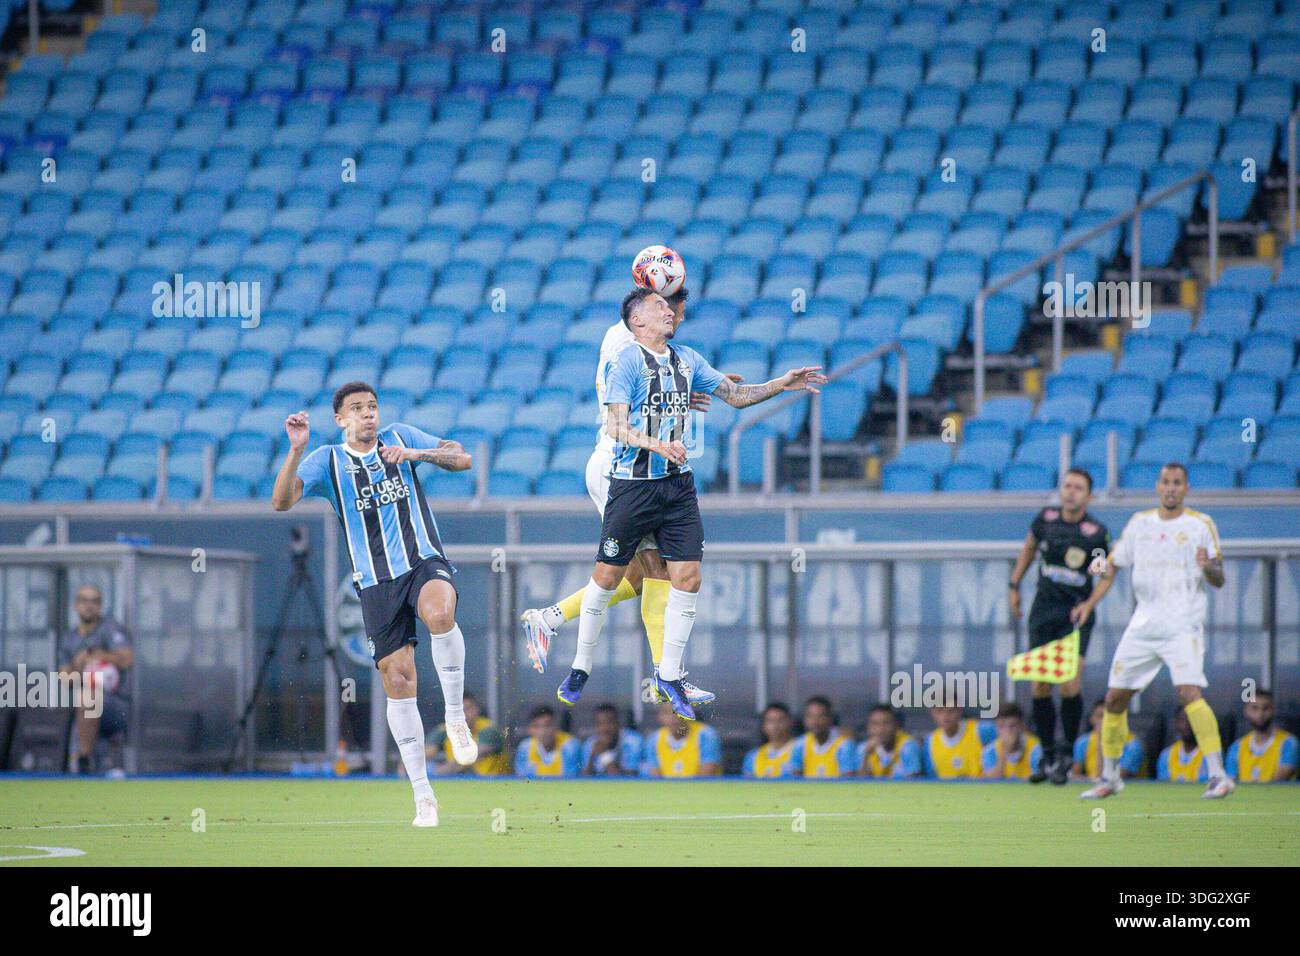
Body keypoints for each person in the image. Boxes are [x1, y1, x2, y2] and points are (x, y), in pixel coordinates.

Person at [553, 287, 826, 719]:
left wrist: (782, 384)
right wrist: (658, 445)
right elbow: (615, 425)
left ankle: (669, 673)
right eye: (657, 306)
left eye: (668, 305)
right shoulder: (625, 361)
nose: (668, 309)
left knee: (688, 577)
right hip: (632, 486)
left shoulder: (688, 359)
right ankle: (580, 667)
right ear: (636, 322)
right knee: (607, 578)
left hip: (677, 487)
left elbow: (736, 396)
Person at [271, 381, 478, 827]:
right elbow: (282, 502)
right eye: (357, 409)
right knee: (398, 679)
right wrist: (294, 450)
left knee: (440, 613)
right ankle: (423, 796)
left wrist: (417, 457)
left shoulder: (401, 437)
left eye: (372, 406)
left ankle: (456, 717)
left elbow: (462, 458)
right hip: (375, 583)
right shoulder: (326, 460)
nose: (368, 414)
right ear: (340, 419)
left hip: (422, 560)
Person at [520, 287, 733, 707]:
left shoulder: (672, 354)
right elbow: (617, 407)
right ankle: (657, 673)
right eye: (670, 307)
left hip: (649, 469)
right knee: (636, 572)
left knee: (648, 575)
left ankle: (663, 674)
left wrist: (681, 392)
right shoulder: (624, 342)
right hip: (621, 467)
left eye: (680, 311)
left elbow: (654, 390)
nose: (677, 316)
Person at [1082, 463, 1232, 800]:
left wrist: (1208, 566)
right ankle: (1109, 777)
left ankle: (1219, 776)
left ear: (1186, 488)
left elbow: (1219, 579)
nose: (1171, 489)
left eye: (1177, 483)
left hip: (1182, 625)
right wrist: (1100, 565)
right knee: (1114, 698)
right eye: (1166, 482)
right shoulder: (1140, 524)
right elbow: (1113, 564)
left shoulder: (1200, 525)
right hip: (1143, 625)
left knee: (1189, 692)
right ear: (1157, 486)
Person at [1007, 467, 1112, 785]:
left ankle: (1067, 754)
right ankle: (1048, 754)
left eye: (1078, 488)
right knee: (1039, 685)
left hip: (1074, 615)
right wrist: (1014, 586)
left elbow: (1106, 575)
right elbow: (1027, 550)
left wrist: (1088, 604)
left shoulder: (1095, 533)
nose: (1070, 492)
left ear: (1089, 495)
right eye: (1067, 486)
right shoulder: (1046, 520)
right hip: (1044, 612)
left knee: (1069, 681)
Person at [57, 585, 133, 775]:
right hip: (84, 709)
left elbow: (127, 658)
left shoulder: (111, 628)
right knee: (85, 700)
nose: (89, 606)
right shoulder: (69, 638)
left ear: (100, 605)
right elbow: (65, 678)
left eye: (94, 601)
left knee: (88, 698)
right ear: (76, 605)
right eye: (84, 601)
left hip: (115, 706)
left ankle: (85, 758)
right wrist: (78, 665)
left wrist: (99, 656)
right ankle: (83, 762)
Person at [426, 692, 508, 777]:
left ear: (477, 709)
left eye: (468, 708)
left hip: (493, 783)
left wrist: (436, 771)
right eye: (459, 710)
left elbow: (466, 760)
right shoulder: (445, 729)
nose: (463, 714)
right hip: (456, 784)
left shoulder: (488, 729)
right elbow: (426, 754)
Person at [1226, 690, 1298, 783]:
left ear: (1273, 710)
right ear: (1246, 711)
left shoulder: (1289, 743)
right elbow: (1230, 781)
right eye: (1255, 708)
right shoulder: (1236, 747)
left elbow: (1281, 777)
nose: (1260, 714)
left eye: (1265, 708)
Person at [641, 700, 721, 778]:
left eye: (679, 711)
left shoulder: (706, 735)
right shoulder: (654, 739)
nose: (673, 717)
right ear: (660, 717)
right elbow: (655, 779)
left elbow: (705, 778)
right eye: (667, 712)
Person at [1070, 699, 1144, 781]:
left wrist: (1101, 739)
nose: (1104, 721)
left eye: (1109, 717)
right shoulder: (1083, 742)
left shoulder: (1132, 746)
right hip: (1092, 784)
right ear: (1092, 719)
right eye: (1100, 716)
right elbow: (1075, 775)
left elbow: (1110, 780)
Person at [790, 696, 857, 778]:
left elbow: (848, 780)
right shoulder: (799, 744)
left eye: (820, 716)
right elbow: (795, 778)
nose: (815, 721)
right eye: (810, 716)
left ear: (830, 719)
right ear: (805, 719)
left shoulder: (844, 745)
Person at [923, 706, 996, 779]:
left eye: (950, 711)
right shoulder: (930, 743)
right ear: (932, 713)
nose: (945, 717)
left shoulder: (983, 730)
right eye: (939, 711)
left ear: (959, 711)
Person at [855, 704, 923, 779]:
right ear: (868, 727)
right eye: (875, 724)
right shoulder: (863, 749)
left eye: (886, 723)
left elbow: (914, 782)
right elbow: (861, 784)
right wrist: (866, 757)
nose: (880, 730)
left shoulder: (908, 746)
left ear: (896, 725)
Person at [514, 705, 581, 778]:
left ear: (556, 726)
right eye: (536, 726)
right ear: (530, 729)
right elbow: (522, 777)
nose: (543, 732)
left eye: (547, 725)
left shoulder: (570, 746)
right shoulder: (524, 748)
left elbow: (571, 778)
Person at [981, 703, 1042, 780]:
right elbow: (991, 782)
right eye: (1001, 726)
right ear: (996, 728)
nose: (1007, 731)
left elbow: (1038, 779)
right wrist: (1005, 751)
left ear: (1021, 726)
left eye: (1012, 726)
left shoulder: (1036, 747)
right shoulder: (989, 751)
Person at [579, 703, 644, 776]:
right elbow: (584, 780)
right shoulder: (589, 745)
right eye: (599, 724)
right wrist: (591, 758)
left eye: (610, 722)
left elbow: (627, 779)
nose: (605, 728)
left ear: (618, 723)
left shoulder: (633, 742)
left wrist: (604, 755)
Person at [742, 702, 797, 778]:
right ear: (763, 726)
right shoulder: (753, 757)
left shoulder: (801, 750)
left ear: (790, 723)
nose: (775, 725)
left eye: (780, 720)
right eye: (770, 721)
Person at [1156, 706, 1207, 783]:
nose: (1187, 724)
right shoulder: (1166, 755)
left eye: (1192, 719)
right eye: (1183, 720)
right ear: (1176, 723)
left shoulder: (1210, 755)